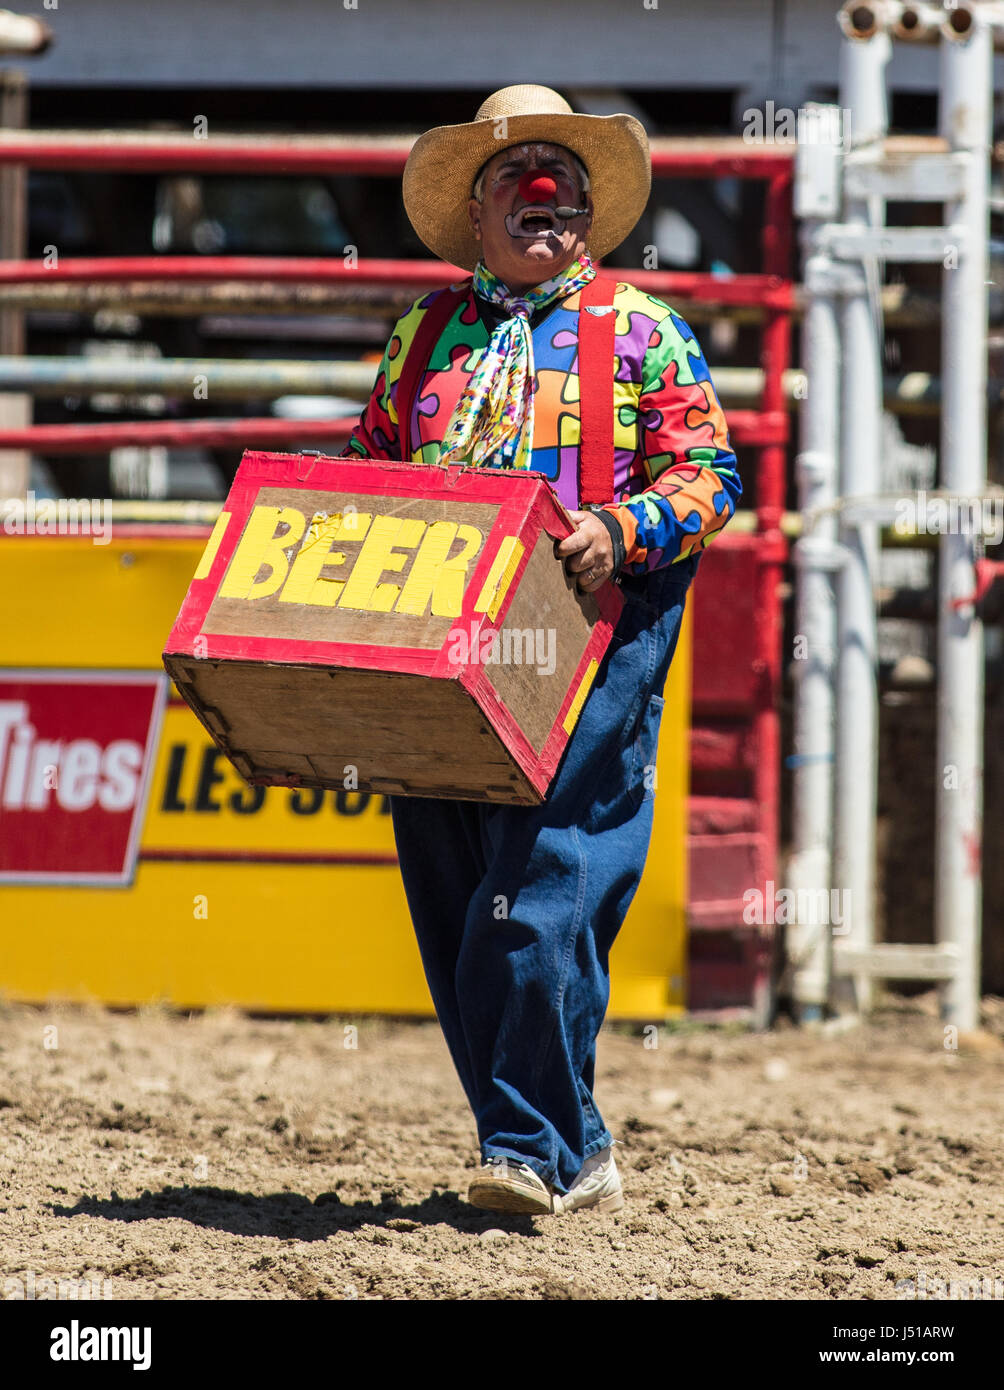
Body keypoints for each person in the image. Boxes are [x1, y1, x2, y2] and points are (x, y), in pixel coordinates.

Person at [339, 84, 740, 1216]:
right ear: (476, 213)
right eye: (514, 182)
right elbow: (367, 463)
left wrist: (620, 530)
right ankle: (574, 1144)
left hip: (592, 636)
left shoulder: (641, 327)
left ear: (587, 217)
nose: (541, 199)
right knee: (458, 894)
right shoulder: (421, 333)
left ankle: (521, 1147)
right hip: (435, 642)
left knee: (538, 888)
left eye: (559, 184)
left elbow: (709, 476)